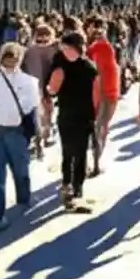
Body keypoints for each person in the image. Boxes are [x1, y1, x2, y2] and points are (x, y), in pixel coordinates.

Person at [0, 41, 39, 232]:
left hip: (16, 133)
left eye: (14, 57)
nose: (11, 61)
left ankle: (24, 196)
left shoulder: (28, 81)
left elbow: (31, 108)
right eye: (7, 57)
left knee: (21, 170)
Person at [46, 32, 98, 213]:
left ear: (76, 48)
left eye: (67, 48)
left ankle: (75, 187)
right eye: (63, 48)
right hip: (69, 114)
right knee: (70, 151)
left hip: (81, 115)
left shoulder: (73, 67)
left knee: (78, 152)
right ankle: (69, 184)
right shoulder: (86, 67)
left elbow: (52, 90)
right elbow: (52, 90)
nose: (64, 51)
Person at [85, 17, 121, 178]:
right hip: (108, 89)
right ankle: (96, 161)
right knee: (102, 127)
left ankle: (92, 162)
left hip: (96, 89)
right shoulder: (108, 49)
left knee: (96, 127)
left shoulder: (91, 50)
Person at [21, 23, 59, 157]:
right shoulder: (55, 50)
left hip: (36, 87)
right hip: (45, 87)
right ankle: (43, 137)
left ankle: (40, 138)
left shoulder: (28, 51)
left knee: (39, 114)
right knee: (46, 113)